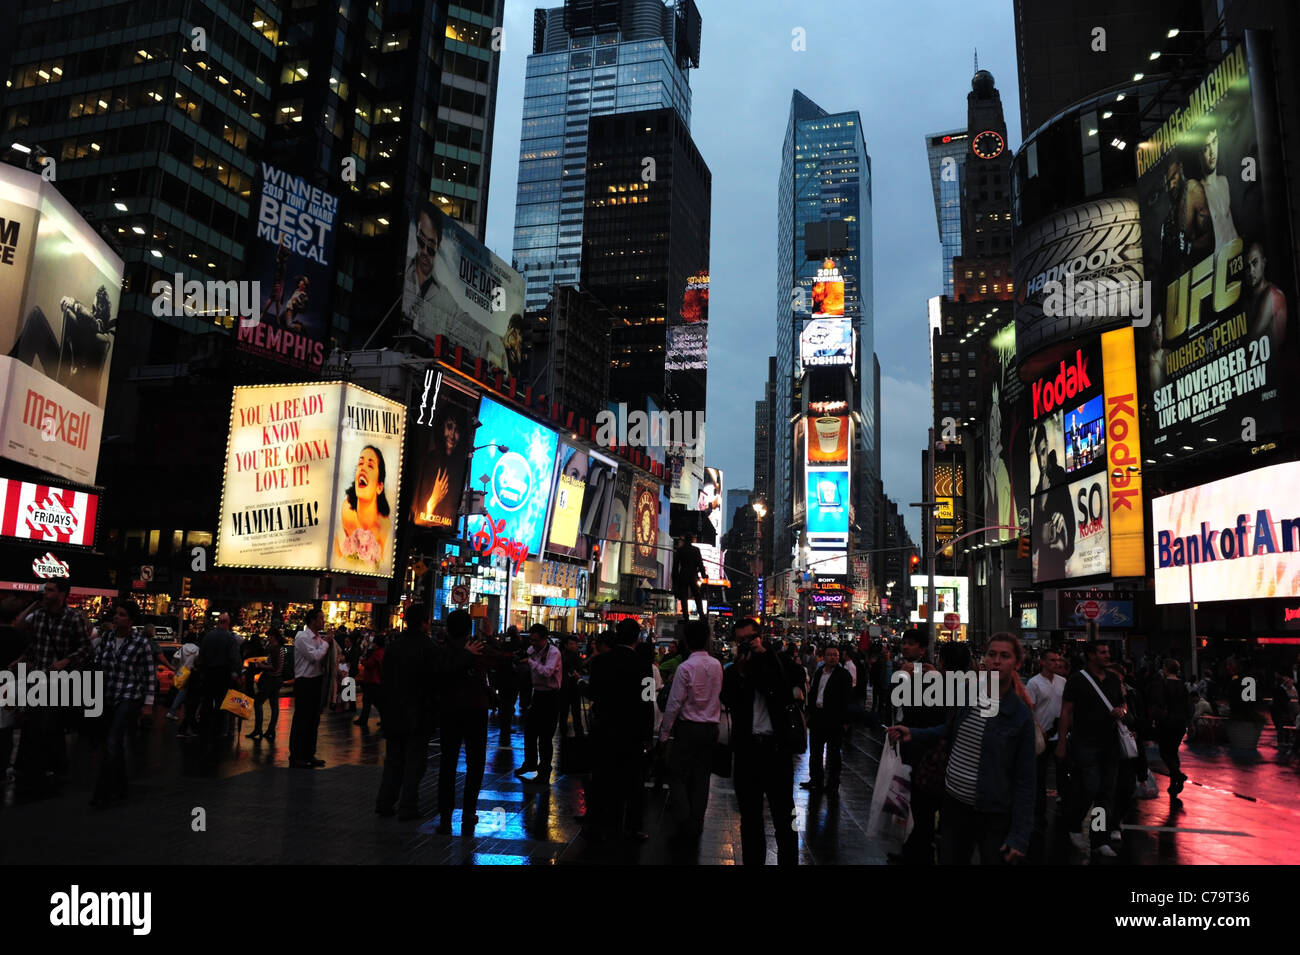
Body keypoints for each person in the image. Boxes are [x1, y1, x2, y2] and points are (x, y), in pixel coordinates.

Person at [888, 632, 1037, 865]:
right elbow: (948, 730)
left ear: (1017, 663)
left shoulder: (1020, 715)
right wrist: (913, 733)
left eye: (1005, 656)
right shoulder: (968, 694)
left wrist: (1020, 834)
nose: (997, 661)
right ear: (983, 660)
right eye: (992, 654)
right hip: (954, 804)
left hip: (991, 812)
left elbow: (1026, 778)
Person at [721, 618, 797, 865]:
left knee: (784, 817)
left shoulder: (777, 661)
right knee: (750, 819)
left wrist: (763, 655)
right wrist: (742, 673)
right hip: (747, 751)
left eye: (749, 639)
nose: (745, 645)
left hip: (776, 751)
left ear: (760, 636)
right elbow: (727, 699)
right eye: (740, 640)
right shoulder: (734, 670)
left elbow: (784, 691)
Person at [11, 579, 92, 799]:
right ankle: (43, 766)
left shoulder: (73, 618)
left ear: (62, 594)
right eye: (44, 590)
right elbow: (18, 626)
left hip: (59, 681)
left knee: (48, 723)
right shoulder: (38, 616)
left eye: (49, 590)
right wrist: (35, 604)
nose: (45, 593)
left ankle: (48, 767)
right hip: (38, 678)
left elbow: (86, 648)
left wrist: (66, 661)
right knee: (35, 722)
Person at [1056, 640, 1126, 858]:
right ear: (1091, 655)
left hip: (1110, 744)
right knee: (1090, 787)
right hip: (1084, 743)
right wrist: (1062, 743)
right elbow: (1066, 711)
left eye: (1108, 651)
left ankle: (1099, 839)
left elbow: (1124, 704)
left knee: (1106, 793)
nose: (1107, 655)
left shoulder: (1114, 680)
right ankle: (1074, 823)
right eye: (1102, 652)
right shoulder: (1077, 680)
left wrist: (1121, 711)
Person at [585, 618, 653, 841]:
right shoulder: (644, 666)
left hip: (604, 728)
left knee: (603, 776)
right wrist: (647, 735)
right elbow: (647, 702)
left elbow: (593, 693)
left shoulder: (600, 663)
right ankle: (632, 826)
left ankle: (600, 821)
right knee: (633, 780)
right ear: (637, 638)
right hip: (632, 731)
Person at [658, 621, 723, 842]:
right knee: (701, 778)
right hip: (710, 728)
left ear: (686, 640)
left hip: (688, 728)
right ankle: (697, 822)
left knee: (676, 774)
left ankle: (685, 819)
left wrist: (665, 733)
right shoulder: (716, 665)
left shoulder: (685, 667)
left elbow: (675, 702)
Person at [89, 601, 155, 809]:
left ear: (131, 620)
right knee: (112, 743)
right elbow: (98, 664)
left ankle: (102, 792)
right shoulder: (106, 638)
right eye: (116, 614)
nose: (117, 617)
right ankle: (122, 785)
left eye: (122, 614)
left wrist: (148, 704)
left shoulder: (140, 642)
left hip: (129, 695)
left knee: (112, 740)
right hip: (108, 695)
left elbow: (149, 675)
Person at [436, 609, 497, 834]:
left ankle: (445, 813)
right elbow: (503, 657)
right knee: (475, 761)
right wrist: (488, 638)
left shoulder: (443, 649)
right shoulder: (474, 648)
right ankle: (468, 810)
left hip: (450, 710)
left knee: (448, 762)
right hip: (475, 711)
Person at [376, 604, 438, 819]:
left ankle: (385, 802)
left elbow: (385, 681)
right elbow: (433, 683)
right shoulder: (429, 648)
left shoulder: (394, 647)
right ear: (423, 622)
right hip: (418, 714)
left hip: (394, 713)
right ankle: (407, 805)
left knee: (393, 760)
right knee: (414, 763)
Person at [894, 628, 947, 865]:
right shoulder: (905, 669)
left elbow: (920, 710)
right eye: (904, 642)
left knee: (919, 804)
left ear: (923, 649)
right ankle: (908, 844)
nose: (906, 647)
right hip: (905, 741)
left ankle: (917, 849)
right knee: (904, 797)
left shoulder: (927, 673)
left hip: (919, 744)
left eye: (912, 643)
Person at [514, 624, 562, 783]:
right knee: (529, 732)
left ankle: (544, 770)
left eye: (535, 640)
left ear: (544, 639)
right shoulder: (531, 651)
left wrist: (530, 662)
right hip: (538, 695)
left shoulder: (553, 653)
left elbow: (547, 672)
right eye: (531, 640)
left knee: (545, 736)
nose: (532, 644)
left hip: (551, 696)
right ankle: (530, 764)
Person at [802, 644, 851, 792]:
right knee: (815, 752)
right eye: (830, 655)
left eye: (835, 655)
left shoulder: (843, 675)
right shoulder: (819, 673)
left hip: (834, 718)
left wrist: (845, 721)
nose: (833, 658)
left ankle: (832, 783)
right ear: (824, 657)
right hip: (818, 716)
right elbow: (814, 692)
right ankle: (815, 779)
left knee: (834, 753)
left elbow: (847, 699)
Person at [1026, 648, 1067, 824]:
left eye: (1057, 660)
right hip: (1042, 735)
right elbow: (1029, 708)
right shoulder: (1034, 683)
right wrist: (1038, 727)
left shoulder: (1062, 681)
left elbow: (1067, 707)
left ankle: (1064, 803)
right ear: (1042, 662)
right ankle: (1039, 809)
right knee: (1040, 774)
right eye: (1052, 660)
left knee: (1063, 772)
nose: (1056, 663)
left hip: (1060, 734)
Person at [335, 446, 391, 572]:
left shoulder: (385, 530)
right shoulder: (345, 510)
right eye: (360, 463)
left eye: (370, 466)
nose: (363, 468)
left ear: (379, 487)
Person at [1030, 423, 1075, 581]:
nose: (1041, 460)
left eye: (1043, 451)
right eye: (1038, 453)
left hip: (1057, 550)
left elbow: (1069, 512)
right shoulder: (1037, 489)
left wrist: (1069, 546)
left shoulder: (1058, 474)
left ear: (1047, 448)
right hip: (1043, 558)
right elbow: (1035, 533)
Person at [289, 609, 333, 769]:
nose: (323, 620)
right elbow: (315, 656)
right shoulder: (302, 637)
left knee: (314, 719)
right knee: (302, 719)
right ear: (312, 620)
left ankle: (309, 753)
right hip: (304, 681)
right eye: (321, 618)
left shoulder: (318, 639)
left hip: (316, 680)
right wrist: (327, 643)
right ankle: (296, 755)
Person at [195, 613, 241, 755]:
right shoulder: (230, 638)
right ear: (227, 623)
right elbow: (234, 658)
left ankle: (204, 728)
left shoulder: (208, 636)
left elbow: (200, 656)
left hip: (208, 673)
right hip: (223, 674)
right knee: (221, 702)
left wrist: (202, 670)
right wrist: (236, 673)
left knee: (207, 701)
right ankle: (218, 730)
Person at [1148, 659, 1190, 800]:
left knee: (1165, 752)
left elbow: (1159, 703)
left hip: (1166, 722)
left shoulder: (1162, 684)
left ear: (1165, 669)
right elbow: (1188, 706)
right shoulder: (1183, 685)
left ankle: (1177, 775)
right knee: (1173, 751)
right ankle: (1174, 783)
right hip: (1180, 722)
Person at [1200, 122, 1239, 252]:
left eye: (1214, 141)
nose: (1212, 152)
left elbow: (1230, 225)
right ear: (1199, 154)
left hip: (1237, 256)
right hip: (1220, 263)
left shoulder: (1224, 181)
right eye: (1206, 147)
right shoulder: (1200, 193)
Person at [1246, 241, 1288, 350]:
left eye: (1255, 262)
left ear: (1263, 263)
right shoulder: (1249, 300)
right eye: (1247, 266)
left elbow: (1253, 337)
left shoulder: (1272, 294)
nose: (1251, 271)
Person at [247, 627, 287, 741]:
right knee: (274, 705)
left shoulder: (274, 649)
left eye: (269, 636)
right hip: (277, 679)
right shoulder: (280, 648)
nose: (267, 638)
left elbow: (273, 667)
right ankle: (270, 730)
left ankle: (258, 729)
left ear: (273, 637)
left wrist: (261, 666)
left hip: (271, 679)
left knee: (258, 702)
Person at [672, 536, 708, 620]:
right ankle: (701, 614)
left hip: (683, 574)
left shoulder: (680, 550)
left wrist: (675, 579)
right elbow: (700, 563)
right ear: (691, 540)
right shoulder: (696, 550)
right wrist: (703, 575)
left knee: (684, 596)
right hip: (692, 575)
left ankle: (685, 616)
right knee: (697, 595)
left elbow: (675, 566)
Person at [355, 635, 385, 731]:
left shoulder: (377, 653)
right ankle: (365, 719)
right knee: (371, 701)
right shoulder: (382, 652)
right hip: (376, 680)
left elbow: (370, 664)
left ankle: (364, 720)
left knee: (371, 701)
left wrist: (363, 661)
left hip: (372, 680)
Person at [560, 634, 585, 738]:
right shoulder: (563, 655)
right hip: (565, 687)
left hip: (573, 688)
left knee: (575, 712)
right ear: (566, 645)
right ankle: (566, 733)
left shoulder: (576, 655)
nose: (574, 645)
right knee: (564, 712)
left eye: (575, 643)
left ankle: (577, 732)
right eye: (571, 643)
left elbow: (581, 667)